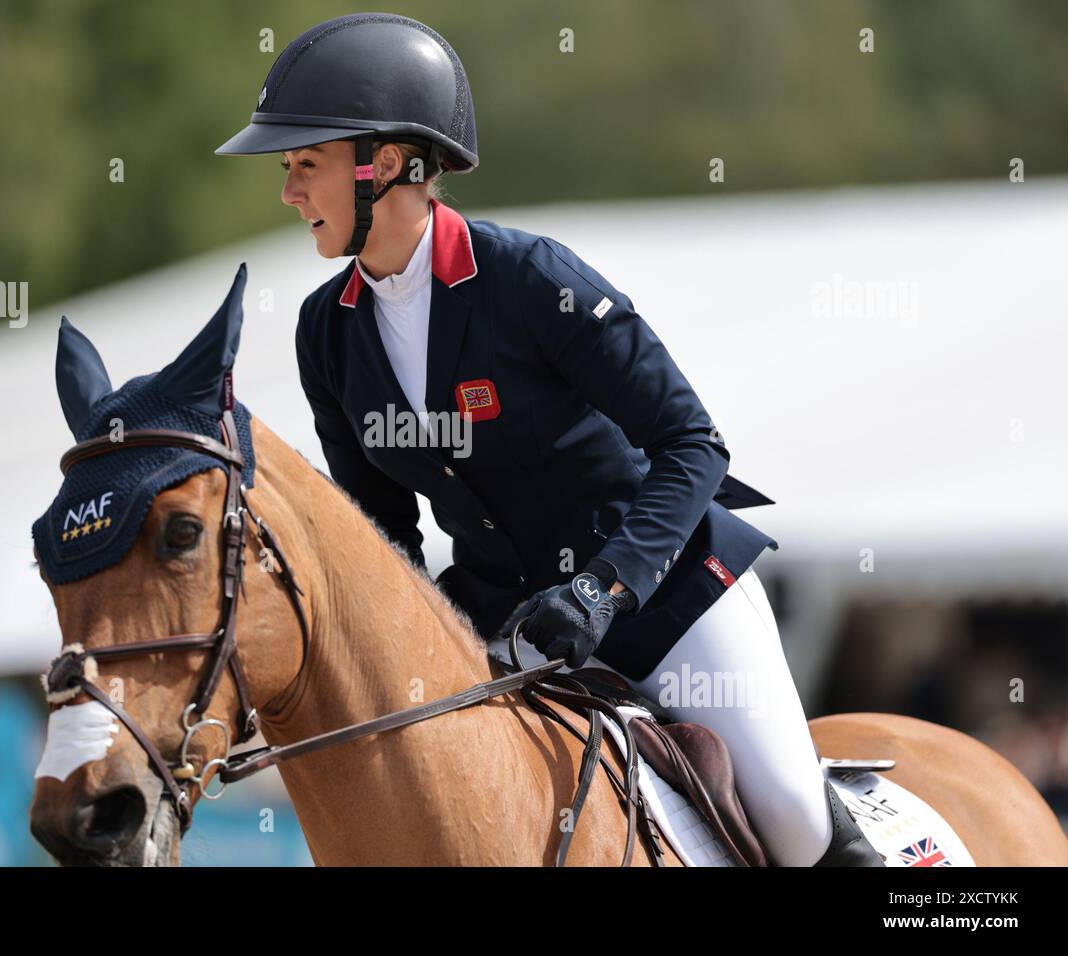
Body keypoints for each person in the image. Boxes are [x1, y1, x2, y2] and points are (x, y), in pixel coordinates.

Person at [215, 12, 882, 867]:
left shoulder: (530, 281)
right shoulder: (326, 332)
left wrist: (603, 591)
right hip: (507, 628)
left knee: (792, 818)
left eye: (305, 165)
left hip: (665, 599)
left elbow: (693, 444)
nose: (289, 192)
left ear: (383, 165)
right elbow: (383, 539)